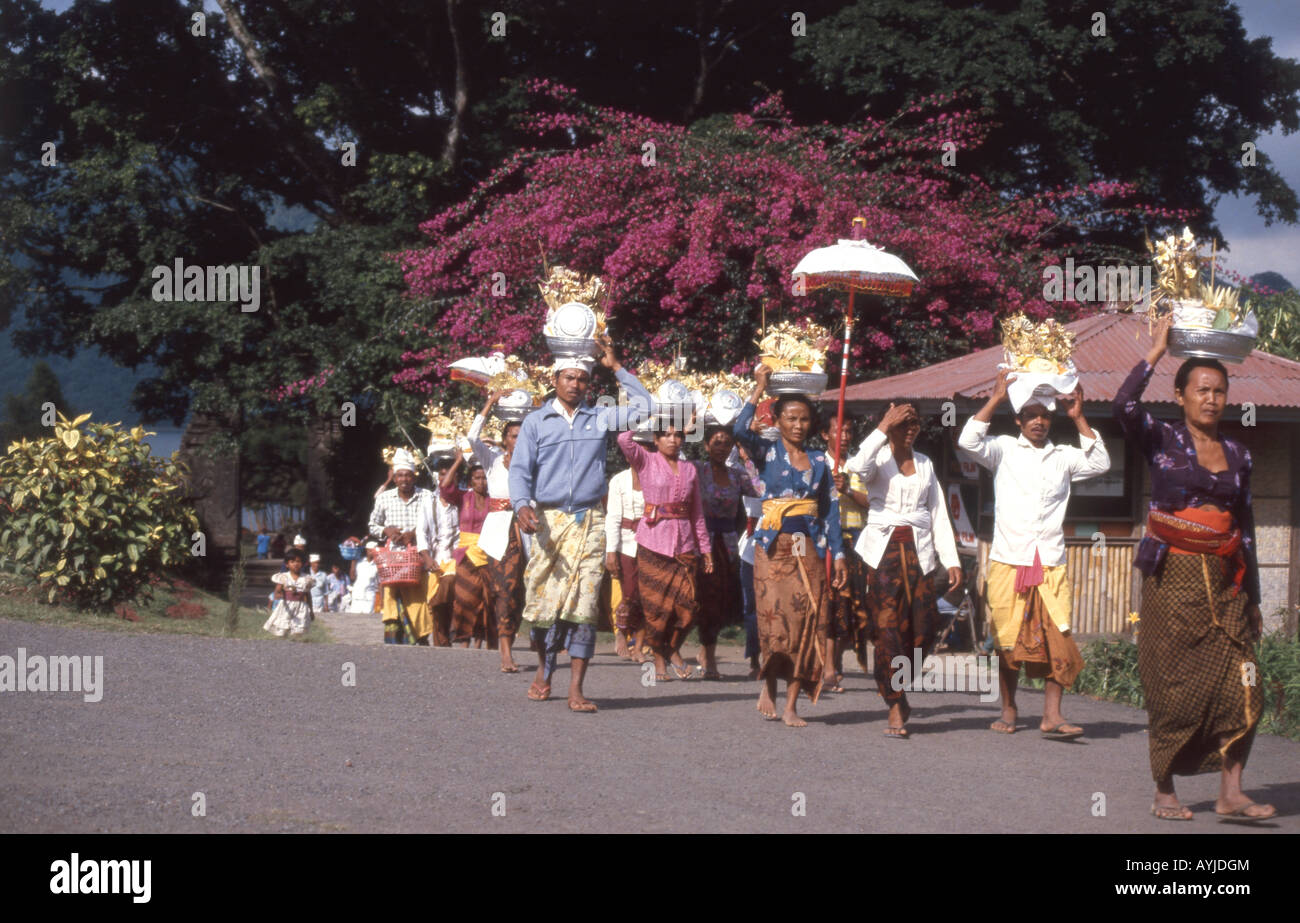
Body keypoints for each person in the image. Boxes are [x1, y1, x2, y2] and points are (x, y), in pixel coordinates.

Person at [1114, 316, 1272, 821]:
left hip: (1226, 584)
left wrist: (1255, 600)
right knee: (1172, 686)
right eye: (1201, 390)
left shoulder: (1238, 454)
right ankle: (1165, 790)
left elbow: (1244, 524)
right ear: (1180, 396)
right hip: (1171, 582)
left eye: (1220, 391)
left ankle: (1231, 792)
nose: (1211, 399)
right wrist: (1156, 353)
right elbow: (1123, 407)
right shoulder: (1161, 439)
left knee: (1245, 684)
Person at [958, 366, 1109, 739]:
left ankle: (1052, 716)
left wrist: (1079, 417)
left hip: (1050, 562)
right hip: (1010, 560)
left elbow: (1101, 462)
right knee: (1008, 638)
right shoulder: (1003, 450)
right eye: (1031, 415)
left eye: (1044, 416)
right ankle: (1009, 709)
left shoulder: (1063, 456)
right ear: (1019, 419)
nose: (1038, 422)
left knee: (1058, 634)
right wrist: (994, 397)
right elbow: (968, 442)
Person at [509, 337, 652, 713]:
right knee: (544, 605)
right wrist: (522, 505)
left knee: (586, 605)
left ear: (590, 384)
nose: (575, 384)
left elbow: (646, 407)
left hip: (590, 521)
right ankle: (543, 671)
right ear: (555, 380)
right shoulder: (535, 423)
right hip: (547, 525)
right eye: (568, 378)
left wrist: (615, 365)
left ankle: (576, 688)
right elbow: (520, 471)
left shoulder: (600, 417)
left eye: (582, 379)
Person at [734, 364, 847, 727]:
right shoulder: (765, 452)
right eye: (791, 418)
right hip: (771, 547)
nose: (798, 425)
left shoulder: (819, 461)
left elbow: (830, 511)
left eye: (803, 419)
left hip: (807, 548)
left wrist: (839, 554)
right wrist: (759, 388)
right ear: (778, 421)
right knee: (775, 624)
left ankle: (792, 704)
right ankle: (768, 682)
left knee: (810, 619)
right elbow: (738, 429)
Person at [842, 402, 962, 738]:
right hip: (882, 555)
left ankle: (900, 687)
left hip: (919, 555)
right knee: (888, 631)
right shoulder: (877, 459)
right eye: (902, 424)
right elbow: (855, 466)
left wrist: (951, 559)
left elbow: (937, 513)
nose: (909, 430)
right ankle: (894, 703)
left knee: (923, 629)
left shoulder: (925, 464)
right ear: (890, 425)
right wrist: (882, 427)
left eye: (914, 424)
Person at [618, 419, 713, 682]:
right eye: (666, 435)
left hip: (684, 547)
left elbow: (697, 513)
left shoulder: (690, 469)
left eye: (677, 435)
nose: (673, 440)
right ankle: (660, 660)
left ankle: (671, 649)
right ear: (656, 440)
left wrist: (706, 549)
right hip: (652, 544)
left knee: (688, 606)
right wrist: (647, 421)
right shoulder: (645, 460)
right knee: (656, 609)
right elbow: (623, 440)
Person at [692, 423, 759, 679]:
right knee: (705, 600)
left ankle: (707, 651)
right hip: (703, 545)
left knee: (721, 602)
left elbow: (759, 490)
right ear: (707, 445)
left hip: (729, 546)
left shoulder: (737, 475)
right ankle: (708, 660)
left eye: (726, 443)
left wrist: (747, 458)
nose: (721, 447)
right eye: (716, 442)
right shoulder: (698, 470)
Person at [467, 391, 528, 672]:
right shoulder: (491, 459)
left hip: (526, 530)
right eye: (513, 435)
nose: (517, 440)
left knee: (520, 593)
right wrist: (490, 403)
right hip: (498, 531)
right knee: (504, 589)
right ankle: (505, 652)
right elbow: (471, 437)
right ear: (505, 439)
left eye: (522, 435)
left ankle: (514, 640)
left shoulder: (533, 461)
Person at [368, 448, 435, 644]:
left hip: (418, 559)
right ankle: (393, 644)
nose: (404, 479)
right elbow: (372, 525)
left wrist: (415, 534)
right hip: (392, 562)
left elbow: (436, 524)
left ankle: (419, 640)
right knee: (390, 602)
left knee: (418, 601)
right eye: (400, 476)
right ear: (394, 478)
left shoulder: (427, 496)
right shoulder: (384, 498)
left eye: (407, 475)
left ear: (414, 476)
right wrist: (386, 530)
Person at [824, 417, 869, 693]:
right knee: (831, 603)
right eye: (837, 431)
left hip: (856, 540)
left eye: (848, 431)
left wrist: (848, 489)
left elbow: (871, 502)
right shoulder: (817, 463)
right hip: (828, 541)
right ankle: (827, 666)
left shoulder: (858, 466)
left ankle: (836, 660)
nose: (843, 436)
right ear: (825, 433)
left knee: (851, 606)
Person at [442, 454, 496, 650]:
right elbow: (445, 487)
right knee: (464, 599)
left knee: (486, 599)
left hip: (489, 553)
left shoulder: (495, 500)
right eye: (477, 478)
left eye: (484, 478)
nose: (481, 482)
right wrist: (458, 461)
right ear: (470, 480)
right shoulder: (464, 497)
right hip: (466, 555)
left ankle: (481, 642)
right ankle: (463, 640)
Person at [605, 453, 647, 662]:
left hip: (651, 542)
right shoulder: (619, 480)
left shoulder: (657, 477)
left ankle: (639, 646)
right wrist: (611, 551)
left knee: (647, 595)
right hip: (625, 543)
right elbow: (612, 517)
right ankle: (621, 631)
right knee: (629, 593)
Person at [417, 456, 460, 646]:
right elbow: (421, 531)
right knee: (437, 601)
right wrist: (426, 557)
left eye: (451, 475)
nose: (447, 479)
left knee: (448, 585)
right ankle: (441, 644)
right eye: (443, 475)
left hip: (457, 559)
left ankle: (450, 629)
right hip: (435, 559)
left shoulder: (462, 500)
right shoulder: (429, 502)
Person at [263, 549, 313, 637]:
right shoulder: (284, 577)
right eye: (292, 561)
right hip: (286, 607)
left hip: (300, 607)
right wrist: (286, 593)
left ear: (302, 563)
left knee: (298, 631)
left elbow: (308, 596)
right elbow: (276, 594)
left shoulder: (306, 579)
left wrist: (311, 611)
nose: (295, 564)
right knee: (283, 629)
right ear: (287, 564)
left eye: (298, 561)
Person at [349, 541, 381, 614]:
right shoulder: (359, 562)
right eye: (370, 550)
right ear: (366, 550)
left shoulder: (378, 565)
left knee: (368, 620)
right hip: (357, 595)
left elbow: (380, 584)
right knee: (353, 619)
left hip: (369, 596)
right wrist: (353, 561)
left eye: (373, 551)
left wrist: (381, 601)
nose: (371, 552)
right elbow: (352, 577)